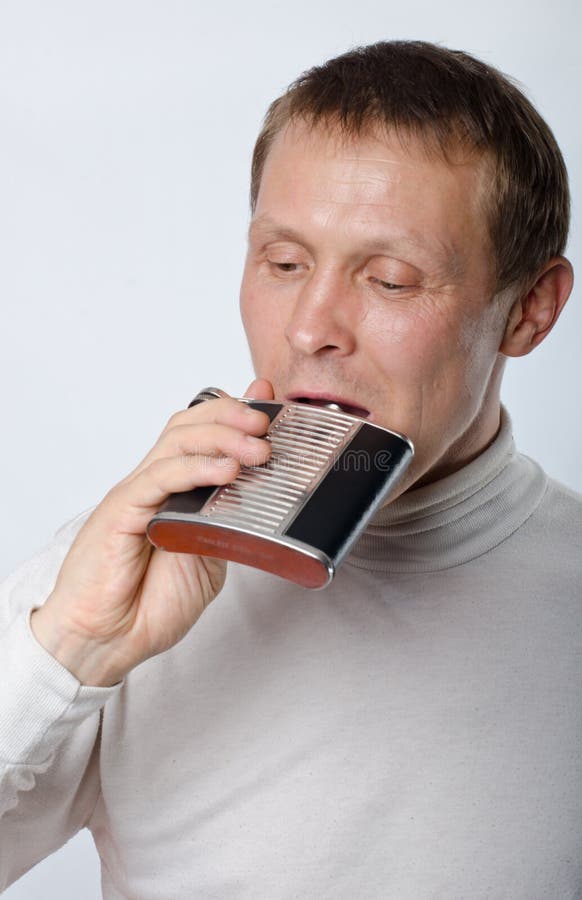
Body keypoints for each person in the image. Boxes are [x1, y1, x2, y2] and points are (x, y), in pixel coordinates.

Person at [1, 39, 580, 899]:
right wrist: (75, 649)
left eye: (388, 280)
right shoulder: (107, 577)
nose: (311, 327)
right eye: (283, 264)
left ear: (529, 311)